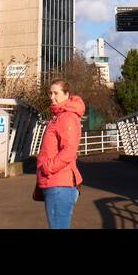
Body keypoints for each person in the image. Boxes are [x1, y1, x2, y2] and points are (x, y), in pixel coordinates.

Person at [35, 79, 84, 228]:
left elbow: (69, 150)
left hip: (59, 184)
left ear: (67, 95)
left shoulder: (67, 117)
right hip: (57, 183)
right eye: (50, 93)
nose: (52, 97)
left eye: (56, 93)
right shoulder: (59, 117)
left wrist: (47, 168)